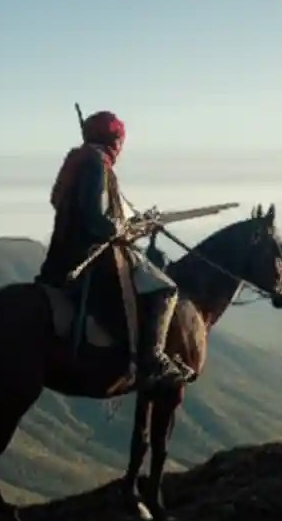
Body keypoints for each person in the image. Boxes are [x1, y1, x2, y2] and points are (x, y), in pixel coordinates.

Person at [38, 110, 194, 388]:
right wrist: (120, 230)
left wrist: (132, 222)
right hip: (93, 255)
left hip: (61, 254)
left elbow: (64, 203)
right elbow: (94, 217)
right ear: (115, 140)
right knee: (165, 288)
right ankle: (153, 360)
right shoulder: (97, 164)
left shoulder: (75, 163)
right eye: (120, 140)